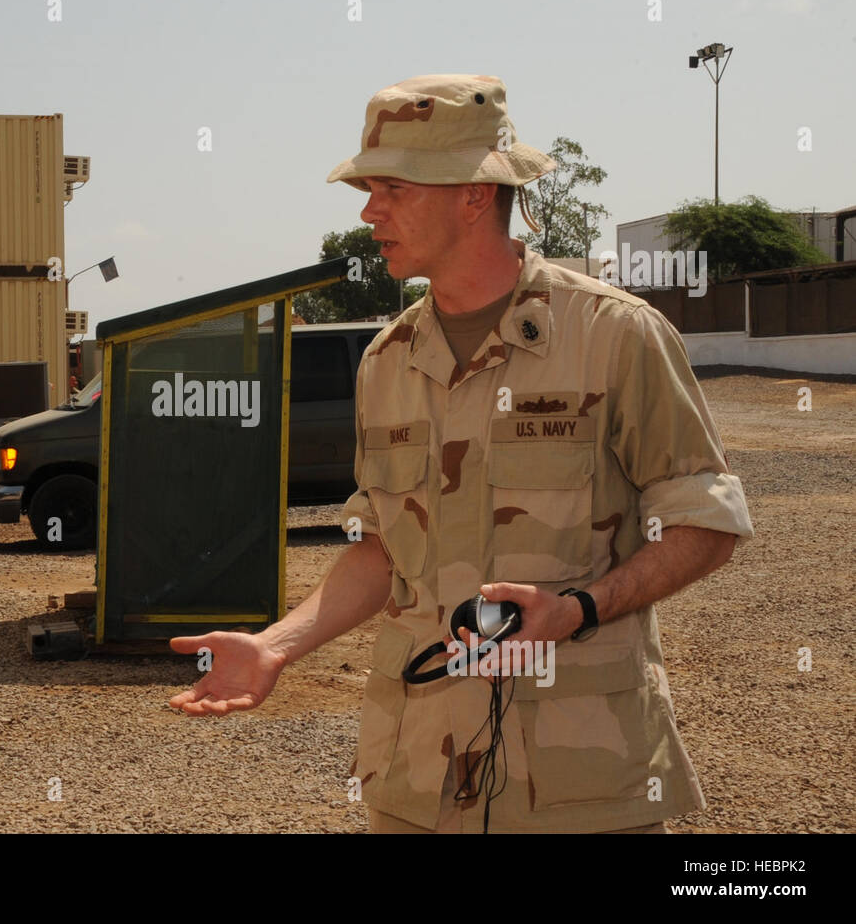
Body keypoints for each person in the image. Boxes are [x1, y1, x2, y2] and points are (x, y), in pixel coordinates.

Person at [170, 75, 753, 833]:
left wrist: (578, 608)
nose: (368, 210)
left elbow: (706, 523)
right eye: (368, 188)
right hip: (419, 782)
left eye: (392, 187)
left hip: (579, 786)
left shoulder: (615, 336)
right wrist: (276, 646)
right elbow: (381, 548)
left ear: (474, 196)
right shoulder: (388, 360)